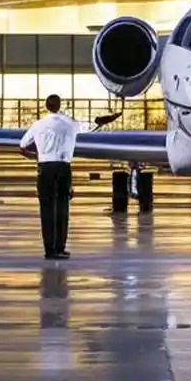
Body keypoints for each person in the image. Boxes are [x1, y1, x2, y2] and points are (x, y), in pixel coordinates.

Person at [22, 95, 121, 260]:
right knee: (62, 207)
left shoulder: (38, 125)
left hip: (44, 169)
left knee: (46, 209)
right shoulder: (70, 123)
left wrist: (37, 158)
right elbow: (94, 123)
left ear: (47, 106)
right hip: (62, 168)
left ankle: (49, 250)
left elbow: (23, 145)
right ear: (59, 105)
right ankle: (60, 248)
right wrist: (113, 117)